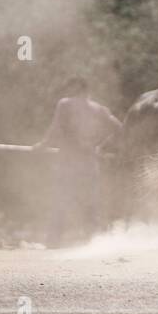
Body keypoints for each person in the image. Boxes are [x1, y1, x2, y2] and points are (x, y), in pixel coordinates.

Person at [34, 76, 122, 246]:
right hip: (89, 164)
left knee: (60, 200)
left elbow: (56, 127)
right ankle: (92, 241)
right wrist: (100, 147)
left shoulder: (65, 104)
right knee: (90, 203)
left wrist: (42, 145)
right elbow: (118, 128)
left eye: (72, 88)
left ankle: (54, 241)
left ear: (77, 88)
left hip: (68, 163)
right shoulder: (99, 109)